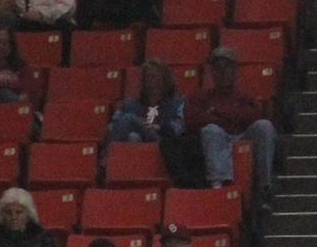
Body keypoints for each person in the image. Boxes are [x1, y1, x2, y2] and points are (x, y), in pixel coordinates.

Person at [188, 46, 276, 198]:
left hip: (242, 135)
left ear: (235, 70)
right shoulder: (200, 97)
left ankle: (264, 185)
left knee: (264, 127)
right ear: (212, 72)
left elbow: (255, 115)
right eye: (217, 67)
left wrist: (216, 113)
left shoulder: (244, 98)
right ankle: (219, 186)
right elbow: (193, 119)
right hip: (216, 137)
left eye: (227, 66)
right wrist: (232, 118)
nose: (222, 71)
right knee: (211, 130)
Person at [109, 58, 184, 143]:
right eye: (148, 77)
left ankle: (109, 153)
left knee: (128, 118)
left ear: (165, 79)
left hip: (163, 142)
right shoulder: (130, 104)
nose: (152, 82)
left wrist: (158, 128)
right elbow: (113, 126)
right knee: (133, 137)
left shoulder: (177, 103)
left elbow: (179, 127)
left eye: (156, 77)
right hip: (137, 142)